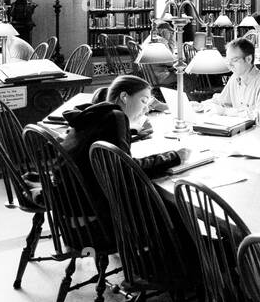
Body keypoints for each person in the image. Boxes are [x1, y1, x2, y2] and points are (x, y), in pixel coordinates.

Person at [59, 75, 192, 220]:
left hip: (71, 210)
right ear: (124, 97)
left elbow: (118, 164)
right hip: (95, 219)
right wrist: (173, 157)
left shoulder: (95, 115)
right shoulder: (116, 117)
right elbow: (126, 170)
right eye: (143, 101)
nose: (146, 109)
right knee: (169, 204)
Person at [205, 37, 260, 112]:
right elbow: (222, 101)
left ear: (248, 59)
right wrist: (203, 105)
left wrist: (229, 113)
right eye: (228, 61)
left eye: (234, 60)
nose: (230, 65)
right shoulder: (235, 78)